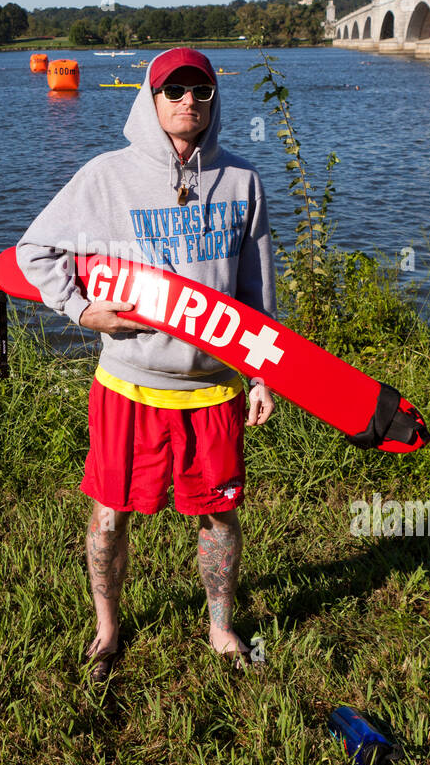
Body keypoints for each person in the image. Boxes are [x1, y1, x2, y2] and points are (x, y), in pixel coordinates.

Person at [16, 47, 277, 679]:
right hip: (128, 385)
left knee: (219, 516)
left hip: (214, 389)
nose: (190, 100)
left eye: (202, 90)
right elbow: (35, 251)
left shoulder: (241, 181)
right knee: (109, 515)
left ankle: (220, 628)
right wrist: (84, 312)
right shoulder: (108, 175)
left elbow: (257, 287)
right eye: (175, 89)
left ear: (214, 100)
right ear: (152, 98)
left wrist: (264, 371)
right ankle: (107, 629)